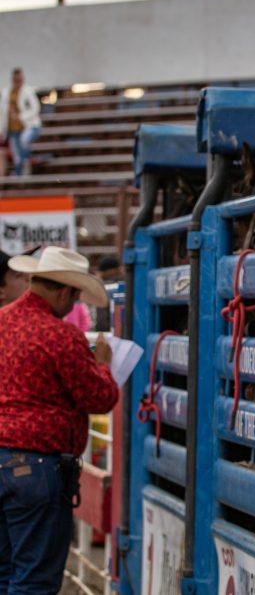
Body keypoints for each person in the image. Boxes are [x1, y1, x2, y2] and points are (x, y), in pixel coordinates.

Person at [0, 246, 118, 593]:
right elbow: (100, 397)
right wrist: (104, 366)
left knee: (5, 573)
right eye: (76, 296)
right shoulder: (61, 336)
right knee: (34, 579)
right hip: (37, 467)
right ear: (65, 291)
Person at [0, 68, 42, 176]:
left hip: (27, 126)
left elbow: (35, 108)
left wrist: (20, 116)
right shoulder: (6, 92)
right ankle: (20, 174)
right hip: (12, 128)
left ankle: (26, 162)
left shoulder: (27, 91)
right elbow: (3, 112)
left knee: (24, 140)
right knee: (16, 155)